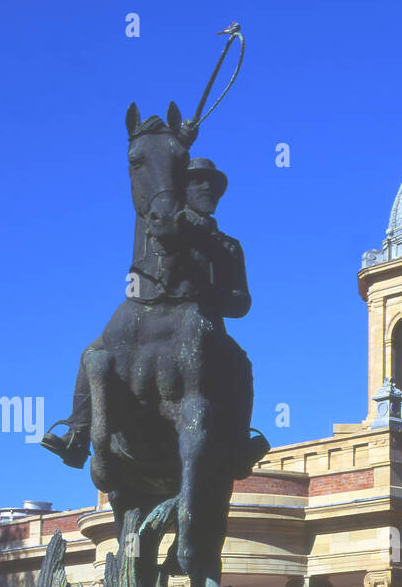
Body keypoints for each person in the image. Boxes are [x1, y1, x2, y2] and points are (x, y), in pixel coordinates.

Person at [42, 156, 268, 480]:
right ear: (181, 189)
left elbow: (241, 303)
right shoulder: (160, 227)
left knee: (241, 365)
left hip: (201, 325)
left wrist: (208, 294)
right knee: (92, 352)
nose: (207, 188)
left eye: (213, 185)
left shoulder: (229, 246)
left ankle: (239, 444)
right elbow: (149, 179)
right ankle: (77, 434)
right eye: (196, 181)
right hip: (146, 316)